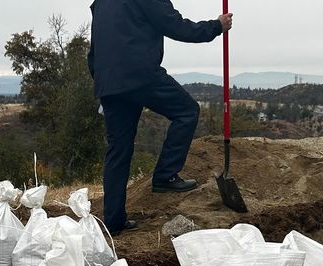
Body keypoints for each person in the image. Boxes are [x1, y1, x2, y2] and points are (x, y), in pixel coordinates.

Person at [89, 0, 233, 235]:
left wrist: (104, 83)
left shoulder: (101, 2)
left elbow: (94, 49)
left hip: (108, 82)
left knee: (118, 151)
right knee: (187, 111)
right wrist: (216, 26)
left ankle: (113, 222)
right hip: (139, 73)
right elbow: (175, 25)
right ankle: (165, 176)